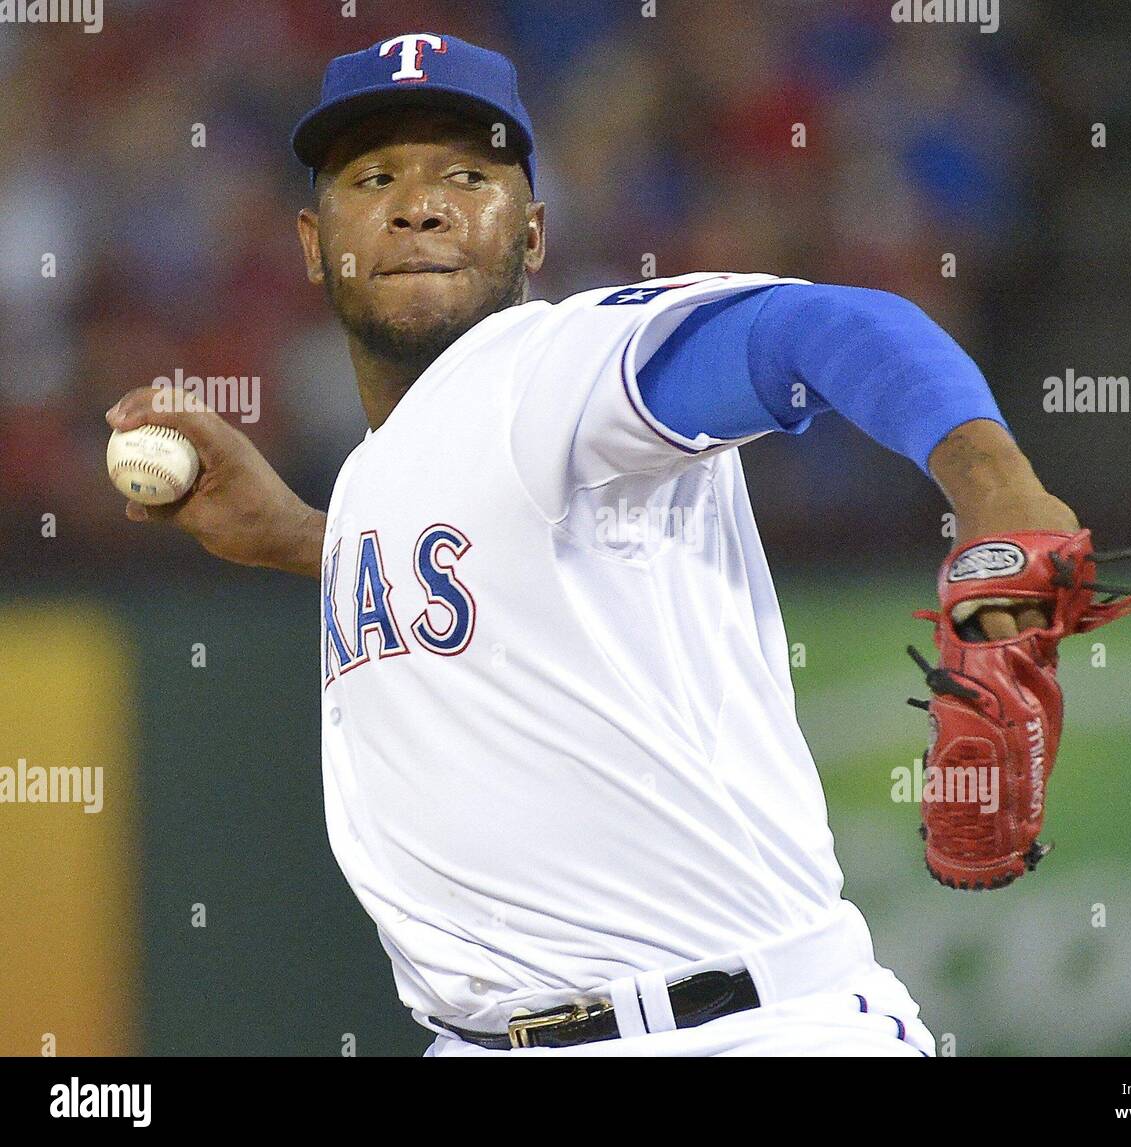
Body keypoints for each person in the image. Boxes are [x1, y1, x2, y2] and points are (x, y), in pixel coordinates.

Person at [107, 33, 1076, 1057]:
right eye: (373, 175)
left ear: (532, 234)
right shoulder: (373, 477)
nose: (419, 202)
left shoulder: (559, 366)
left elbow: (823, 328)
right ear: (310, 241)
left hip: (735, 1031)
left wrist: (992, 483)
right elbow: (494, 570)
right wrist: (314, 537)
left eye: (467, 175)